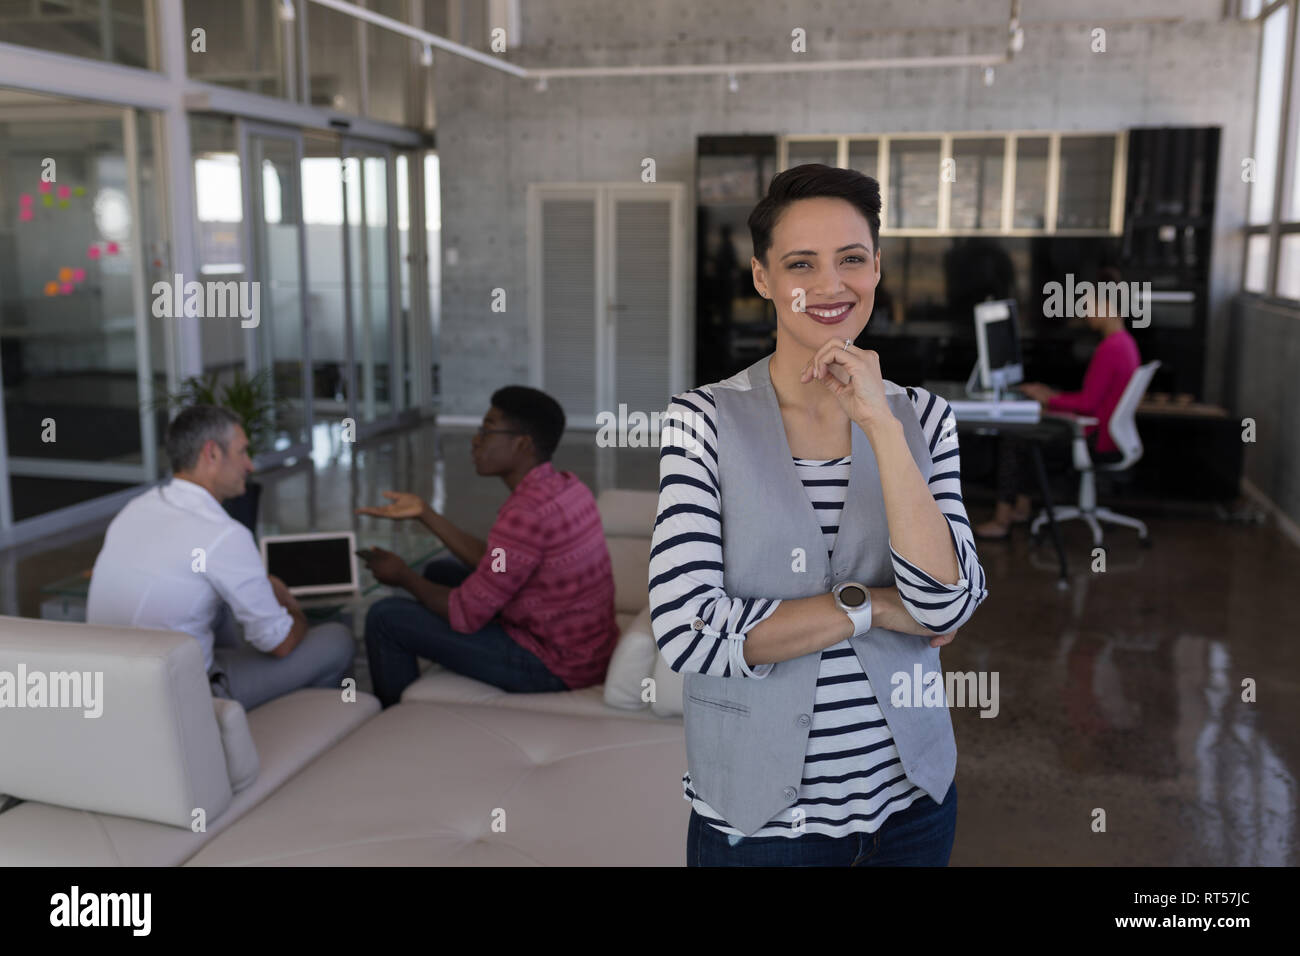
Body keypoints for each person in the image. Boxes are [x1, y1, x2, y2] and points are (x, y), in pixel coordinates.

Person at [651, 164, 988, 867]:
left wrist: (882, 427)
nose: (831, 285)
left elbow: (945, 603)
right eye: (801, 263)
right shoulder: (701, 421)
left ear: (877, 269)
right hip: (762, 824)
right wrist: (871, 607)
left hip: (911, 806)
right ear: (763, 278)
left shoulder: (924, 417)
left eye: (852, 259)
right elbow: (687, 631)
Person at [359, 386, 619, 708]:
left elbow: (465, 613)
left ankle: (397, 724)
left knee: (385, 617)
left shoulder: (524, 515)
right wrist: (425, 513)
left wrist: (403, 577)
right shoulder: (567, 486)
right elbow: (499, 563)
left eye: (487, 430)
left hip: (554, 666)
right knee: (440, 571)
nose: (475, 439)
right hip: (588, 649)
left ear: (522, 443)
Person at [87, 405, 355, 711]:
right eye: (242, 452)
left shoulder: (135, 508)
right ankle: (303, 722)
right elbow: (278, 643)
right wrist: (289, 603)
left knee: (217, 602)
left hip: (118, 683)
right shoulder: (224, 534)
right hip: (184, 696)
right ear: (211, 454)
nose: (250, 465)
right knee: (337, 639)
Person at [975, 266, 1141, 540]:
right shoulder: (1126, 344)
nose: (1085, 313)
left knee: (1014, 438)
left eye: (1089, 305)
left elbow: (1087, 404)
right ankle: (1023, 507)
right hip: (1109, 435)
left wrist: (1048, 399)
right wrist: (1050, 396)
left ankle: (1002, 521)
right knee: (1027, 433)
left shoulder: (1110, 349)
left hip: (1091, 438)